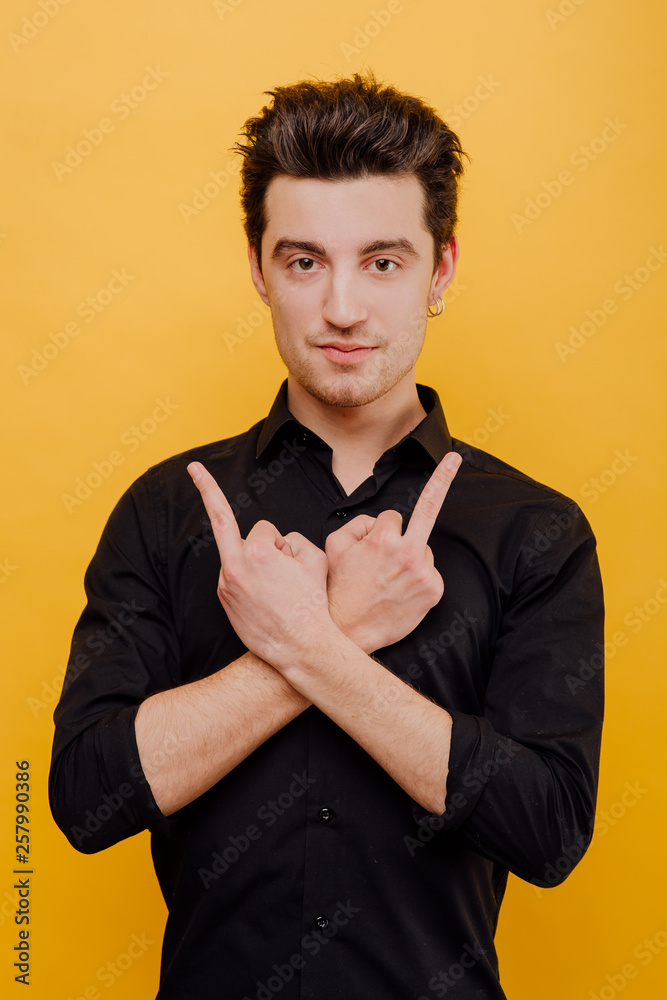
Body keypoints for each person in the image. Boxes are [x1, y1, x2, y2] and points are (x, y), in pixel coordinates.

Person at [49, 71, 605, 999]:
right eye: (305, 261)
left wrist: (313, 645)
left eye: (382, 262)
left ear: (441, 271)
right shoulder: (165, 509)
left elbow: (546, 832)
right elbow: (84, 799)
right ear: (259, 269)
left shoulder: (534, 531)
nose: (342, 308)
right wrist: (341, 633)